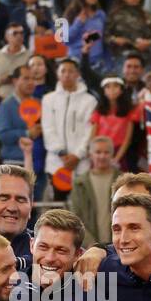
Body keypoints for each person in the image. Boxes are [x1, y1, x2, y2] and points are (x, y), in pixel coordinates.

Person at [42, 58, 97, 197]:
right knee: (58, 211)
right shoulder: (48, 99)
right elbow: (48, 129)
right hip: (56, 164)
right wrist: (61, 153)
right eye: (63, 71)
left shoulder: (89, 101)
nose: (67, 74)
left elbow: (90, 131)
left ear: (77, 74)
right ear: (57, 74)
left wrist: (78, 155)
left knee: (81, 208)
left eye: (71, 71)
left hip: (81, 164)